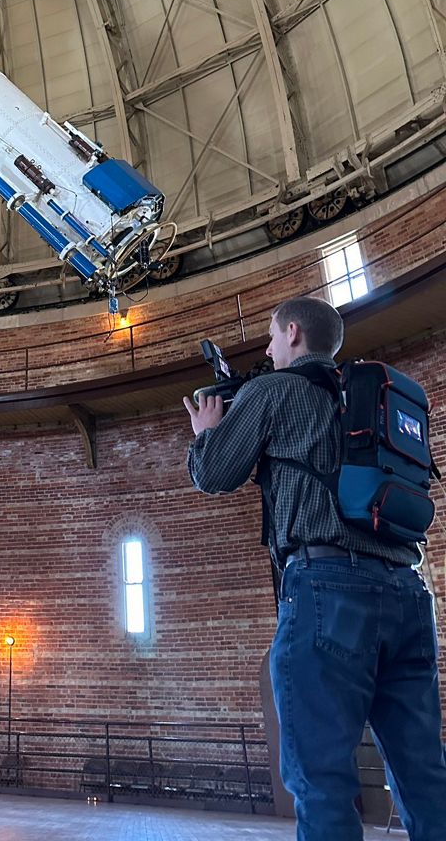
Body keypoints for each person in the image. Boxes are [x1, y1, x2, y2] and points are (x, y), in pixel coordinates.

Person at [185, 295, 446, 841]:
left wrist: (208, 430)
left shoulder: (272, 389)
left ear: (295, 333)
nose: (269, 347)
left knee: (322, 781)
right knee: (426, 779)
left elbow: (215, 474)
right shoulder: (364, 397)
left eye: (273, 336)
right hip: (407, 592)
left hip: (329, 592)